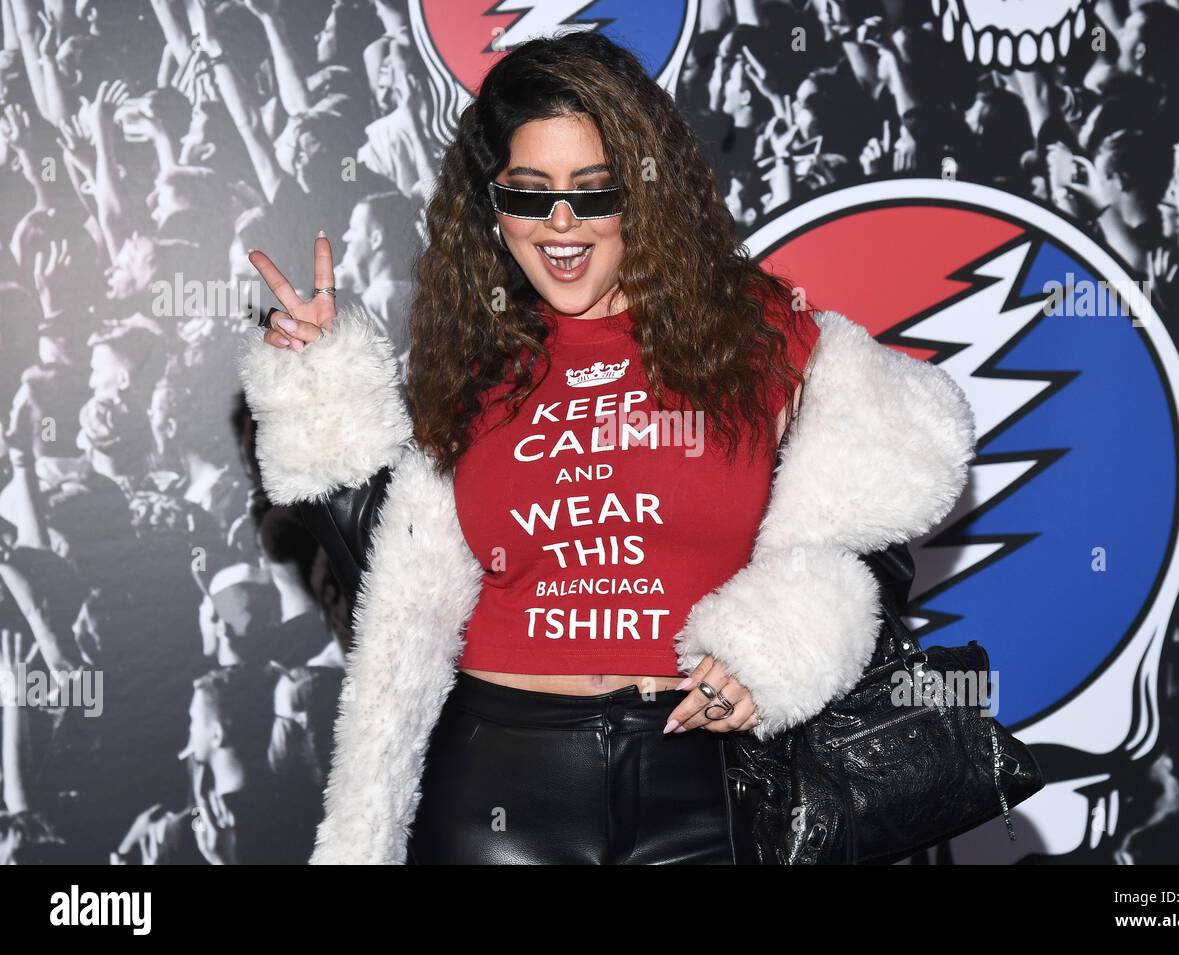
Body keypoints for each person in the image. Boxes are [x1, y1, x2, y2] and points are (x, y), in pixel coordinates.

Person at [239, 31, 974, 864]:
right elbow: (389, 573)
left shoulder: (761, 338)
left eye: (594, 194)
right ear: (493, 202)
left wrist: (781, 645)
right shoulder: (468, 364)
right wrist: (319, 383)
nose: (561, 225)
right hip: (496, 787)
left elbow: (868, 533)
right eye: (530, 194)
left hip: (710, 785)